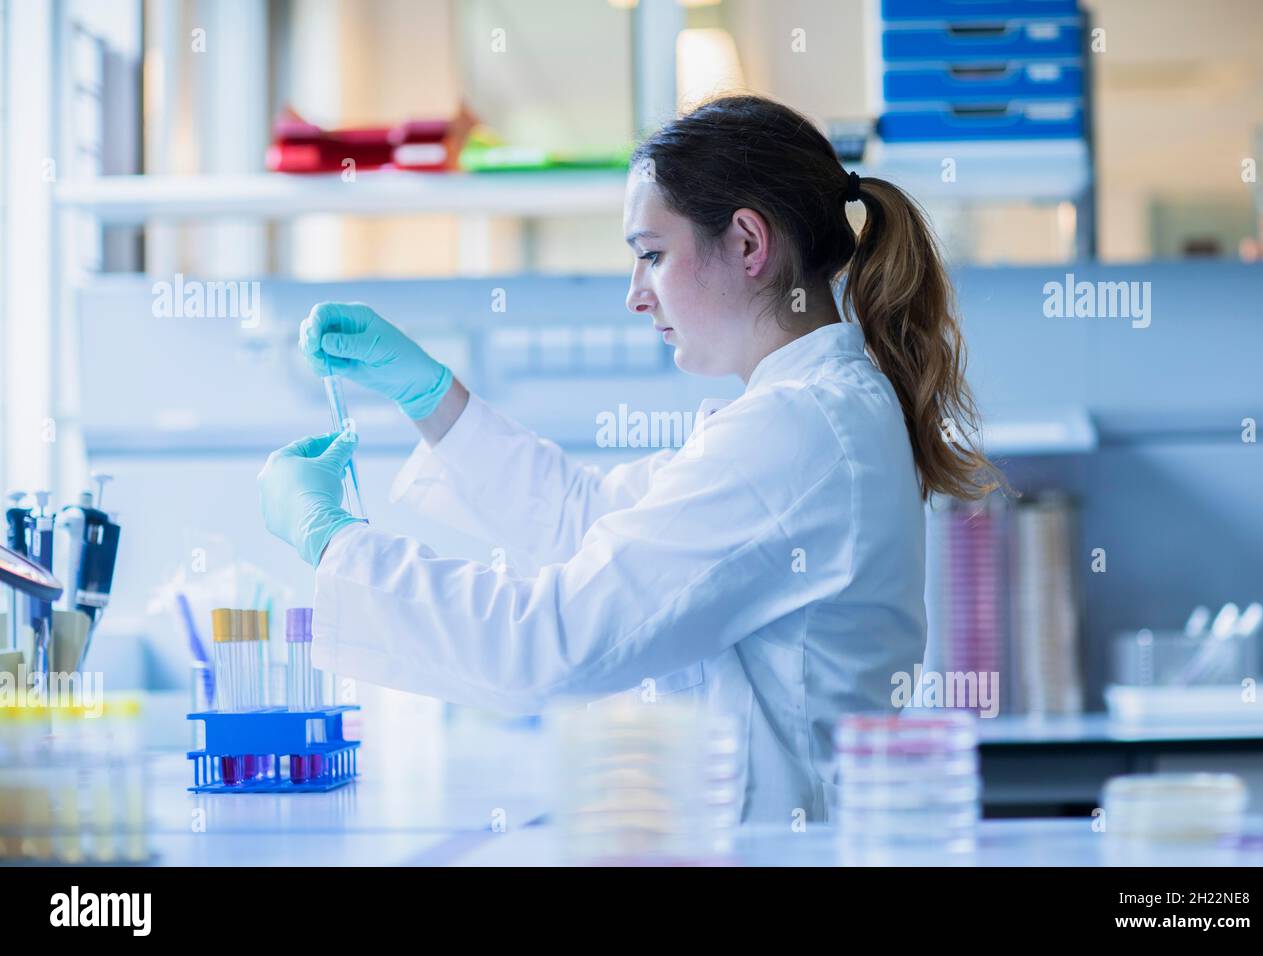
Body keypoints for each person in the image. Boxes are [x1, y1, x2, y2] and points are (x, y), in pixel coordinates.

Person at [258, 94, 999, 822]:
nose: (635, 296)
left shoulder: (798, 428)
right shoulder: (802, 411)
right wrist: (429, 397)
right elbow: (594, 520)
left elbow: (549, 643)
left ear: (747, 242)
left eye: (651, 255)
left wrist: (333, 541)